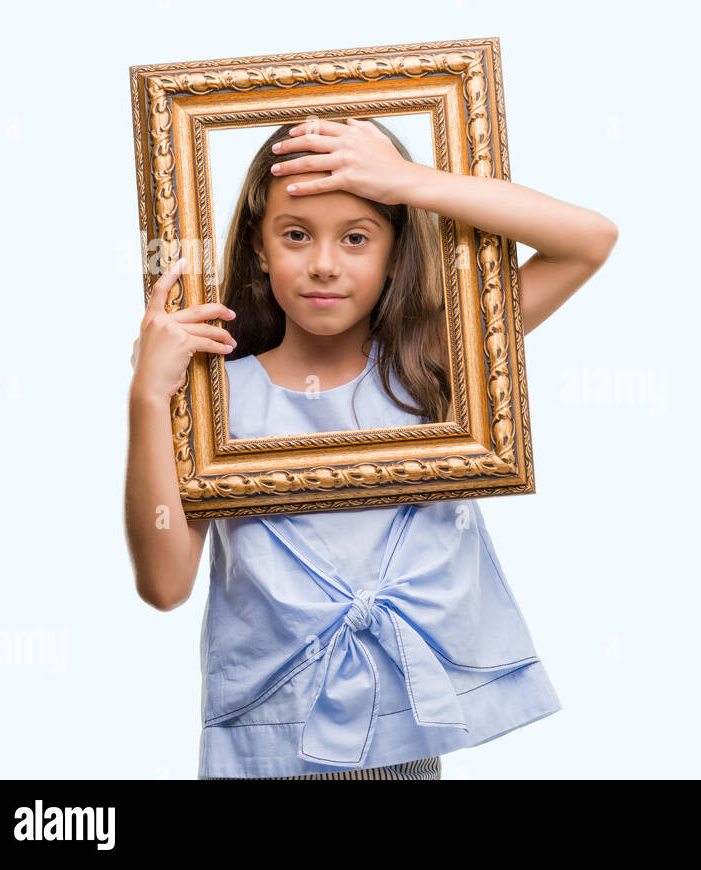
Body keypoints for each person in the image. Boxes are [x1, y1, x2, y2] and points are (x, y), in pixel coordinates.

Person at [125, 116, 617, 779]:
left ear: (393, 253)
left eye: (357, 238)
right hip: (268, 745)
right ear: (260, 246)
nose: (324, 263)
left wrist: (411, 182)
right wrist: (149, 399)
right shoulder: (217, 396)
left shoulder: (429, 364)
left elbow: (589, 241)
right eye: (296, 235)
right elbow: (164, 585)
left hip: (404, 744)